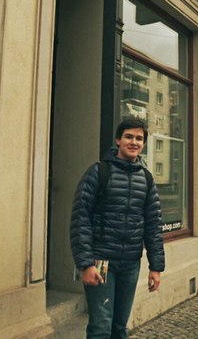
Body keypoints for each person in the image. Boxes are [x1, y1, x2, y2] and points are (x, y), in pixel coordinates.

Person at [70, 117, 165, 339]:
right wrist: (85, 263)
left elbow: (153, 225)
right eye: (128, 137)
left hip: (130, 264)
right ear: (118, 140)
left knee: (120, 327)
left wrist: (156, 267)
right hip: (101, 262)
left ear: (144, 144)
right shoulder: (99, 172)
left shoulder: (146, 179)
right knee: (101, 327)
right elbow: (80, 219)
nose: (134, 142)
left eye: (139, 138)